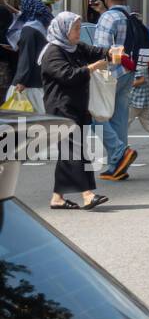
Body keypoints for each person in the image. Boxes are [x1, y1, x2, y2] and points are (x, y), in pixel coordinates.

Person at [41, 12, 113, 210]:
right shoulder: (53, 53)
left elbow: (96, 51)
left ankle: (57, 197)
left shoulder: (75, 47)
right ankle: (88, 195)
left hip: (78, 107)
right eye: (76, 29)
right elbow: (68, 76)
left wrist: (112, 52)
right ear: (64, 30)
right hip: (60, 109)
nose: (79, 32)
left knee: (70, 152)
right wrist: (92, 68)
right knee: (76, 151)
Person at [92, 0, 138, 182]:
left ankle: (119, 152)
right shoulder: (131, 16)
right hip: (128, 70)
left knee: (95, 114)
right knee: (119, 117)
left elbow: (102, 49)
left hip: (109, 72)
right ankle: (117, 165)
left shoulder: (108, 18)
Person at [8, 0, 53, 111]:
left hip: (28, 85)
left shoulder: (28, 29)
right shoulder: (42, 27)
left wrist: (21, 81)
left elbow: (27, 56)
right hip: (40, 81)